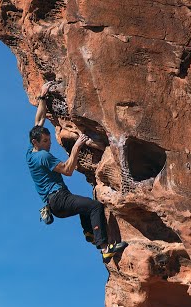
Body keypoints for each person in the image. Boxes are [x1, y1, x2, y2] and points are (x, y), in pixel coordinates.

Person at [26, 91, 126, 262]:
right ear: (36, 142)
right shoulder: (43, 156)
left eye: (49, 140)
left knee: (83, 205)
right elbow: (67, 170)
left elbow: (38, 121)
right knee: (94, 206)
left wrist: (42, 98)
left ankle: (89, 232)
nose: (49, 144)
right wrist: (77, 146)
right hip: (59, 199)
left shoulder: (30, 152)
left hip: (55, 203)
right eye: (45, 142)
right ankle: (104, 248)